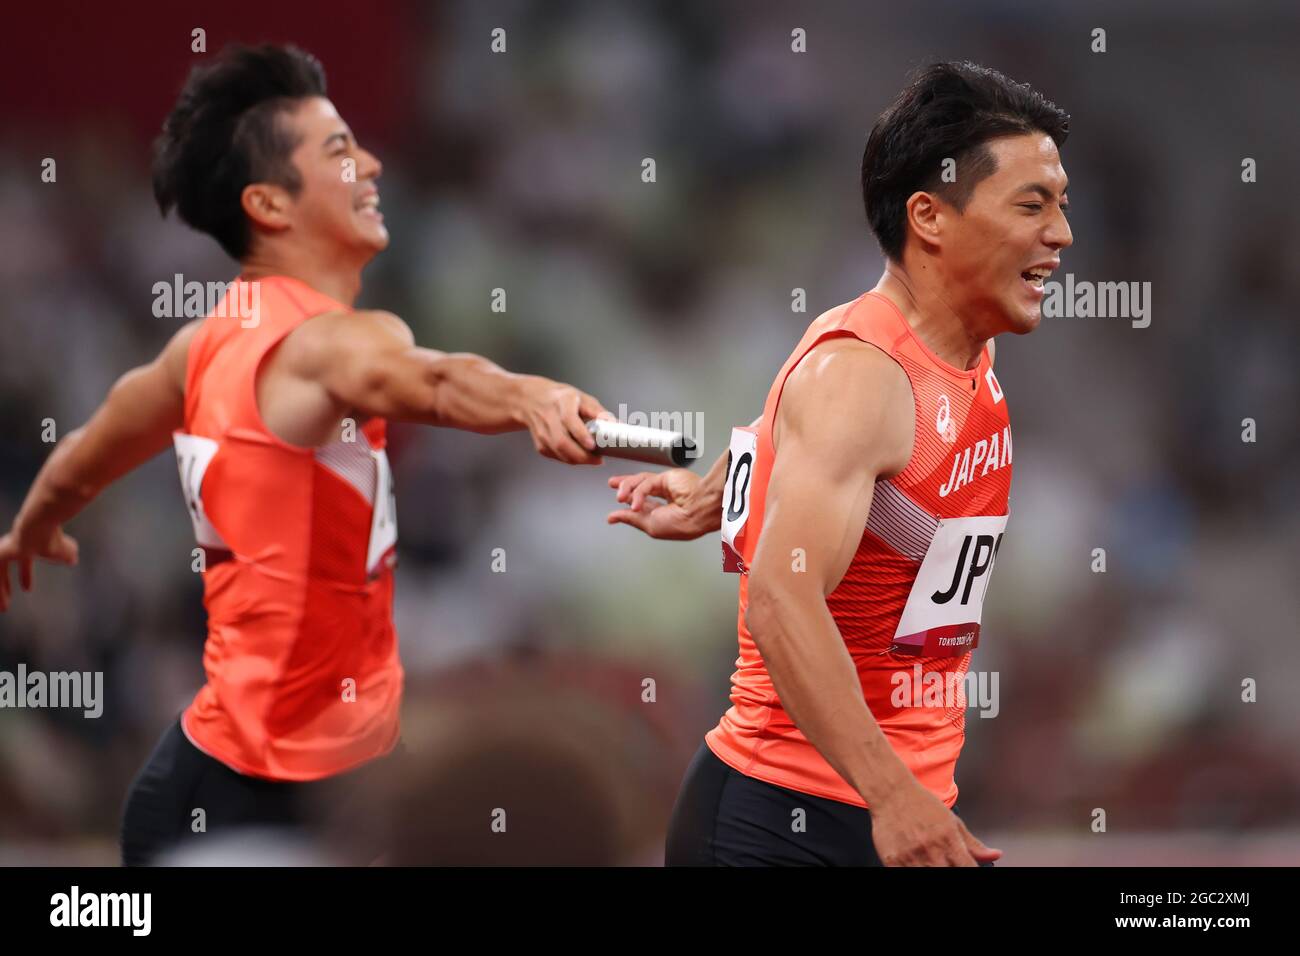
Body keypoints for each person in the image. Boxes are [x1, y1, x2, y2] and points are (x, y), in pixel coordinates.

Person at [0, 43, 611, 865]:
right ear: (271, 205)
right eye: (339, 153)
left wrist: (37, 521)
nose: (371, 163)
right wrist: (528, 397)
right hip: (290, 767)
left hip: (216, 757)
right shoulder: (330, 344)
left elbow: (93, 447)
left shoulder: (200, 349)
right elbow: (435, 380)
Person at [608, 61, 1072, 866]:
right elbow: (781, 600)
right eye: (1032, 205)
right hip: (782, 824)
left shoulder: (959, 344)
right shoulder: (862, 375)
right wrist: (893, 796)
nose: (1062, 234)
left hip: (895, 810)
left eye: (1062, 206)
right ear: (930, 217)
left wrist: (713, 496)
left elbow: (798, 439)